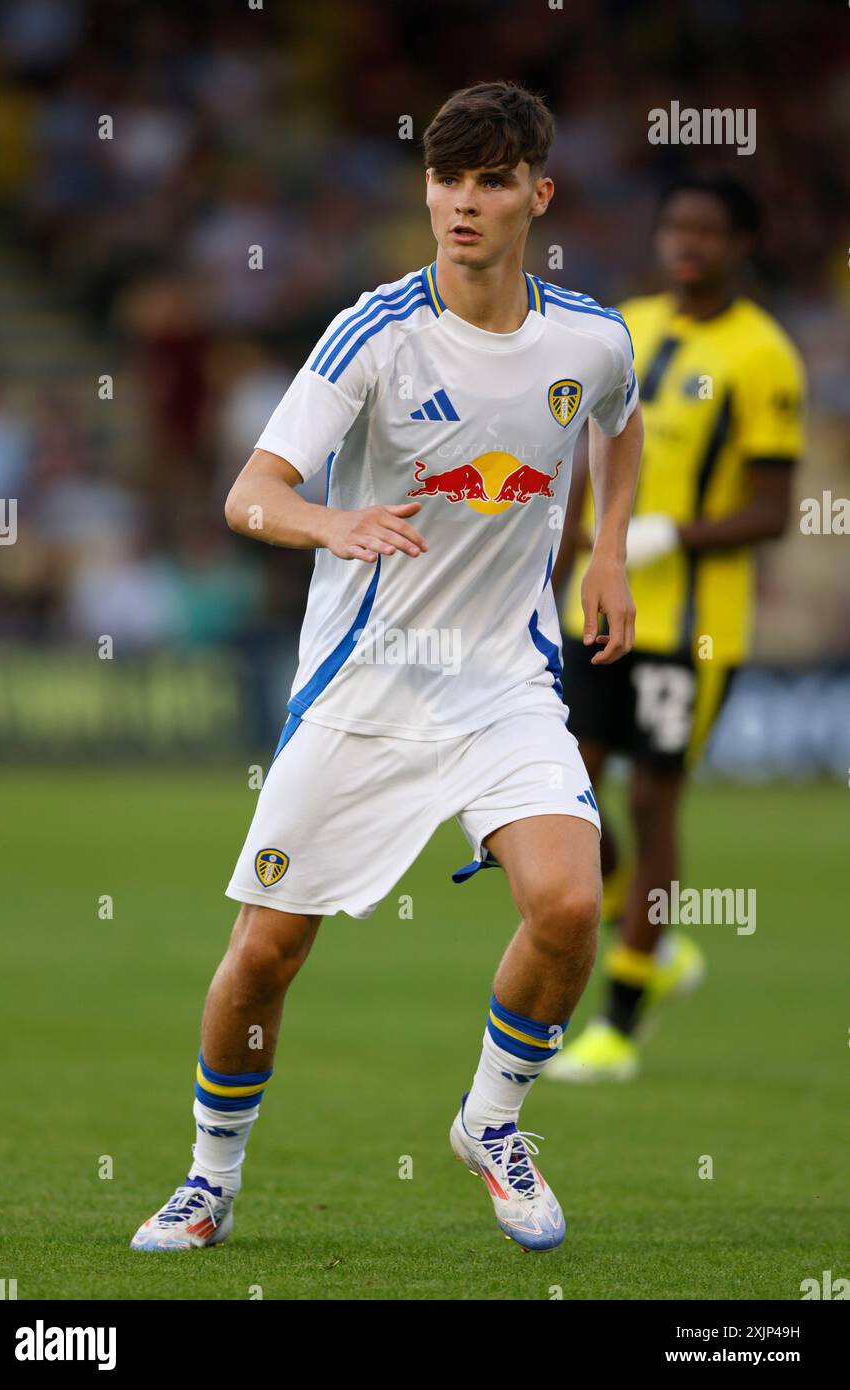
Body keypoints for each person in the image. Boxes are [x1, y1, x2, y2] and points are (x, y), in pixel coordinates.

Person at [131, 80, 642, 1255]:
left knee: (571, 904)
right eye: (446, 179)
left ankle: (491, 1124)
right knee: (266, 954)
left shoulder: (591, 339)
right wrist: (333, 522)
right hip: (366, 690)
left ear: (538, 196)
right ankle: (210, 1179)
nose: (463, 203)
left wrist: (609, 547)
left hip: (505, 684)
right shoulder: (374, 334)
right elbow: (250, 494)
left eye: (491, 182)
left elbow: (620, 418)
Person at [545, 175, 805, 1084]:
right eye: (674, 226)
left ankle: (618, 1022)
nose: (686, 243)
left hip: (690, 630)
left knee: (653, 803)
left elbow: (772, 510)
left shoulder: (763, 355)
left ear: (743, 243)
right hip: (594, 607)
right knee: (566, 791)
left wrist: (668, 535)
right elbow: (585, 455)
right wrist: (554, 562)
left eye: (707, 230)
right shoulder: (625, 327)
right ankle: (645, 936)